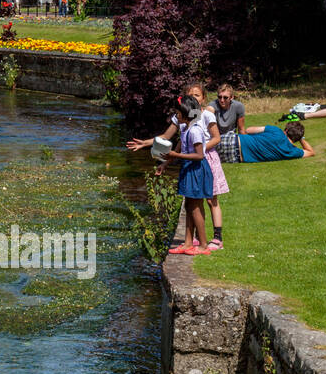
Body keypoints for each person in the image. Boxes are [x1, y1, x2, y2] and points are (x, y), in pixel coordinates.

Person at [128, 81, 227, 249]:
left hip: (205, 159)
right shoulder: (184, 119)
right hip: (190, 159)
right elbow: (169, 138)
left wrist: (199, 149)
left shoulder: (203, 118)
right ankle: (194, 239)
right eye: (190, 95)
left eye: (197, 95)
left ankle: (216, 237)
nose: (193, 98)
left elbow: (215, 139)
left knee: (211, 200)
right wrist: (146, 144)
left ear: (203, 98)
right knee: (194, 202)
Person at [160, 96, 213, 256]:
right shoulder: (187, 129)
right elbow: (182, 149)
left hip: (196, 170)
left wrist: (177, 155)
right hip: (189, 169)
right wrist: (165, 163)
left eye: (178, 113)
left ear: (185, 114)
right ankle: (188, 243)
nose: (176, 115)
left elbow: (199, 155)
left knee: (195, 207)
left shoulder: (195, 130)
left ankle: (203, 245)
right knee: (188, 206)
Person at [224, 122, 314, 163]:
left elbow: (248, 130)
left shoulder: (277, 131)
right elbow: (311, 152)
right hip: (235, 158)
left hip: (235, 140)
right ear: (297, 139)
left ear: (286, 130)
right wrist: (301, 138)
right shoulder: (291, 152)